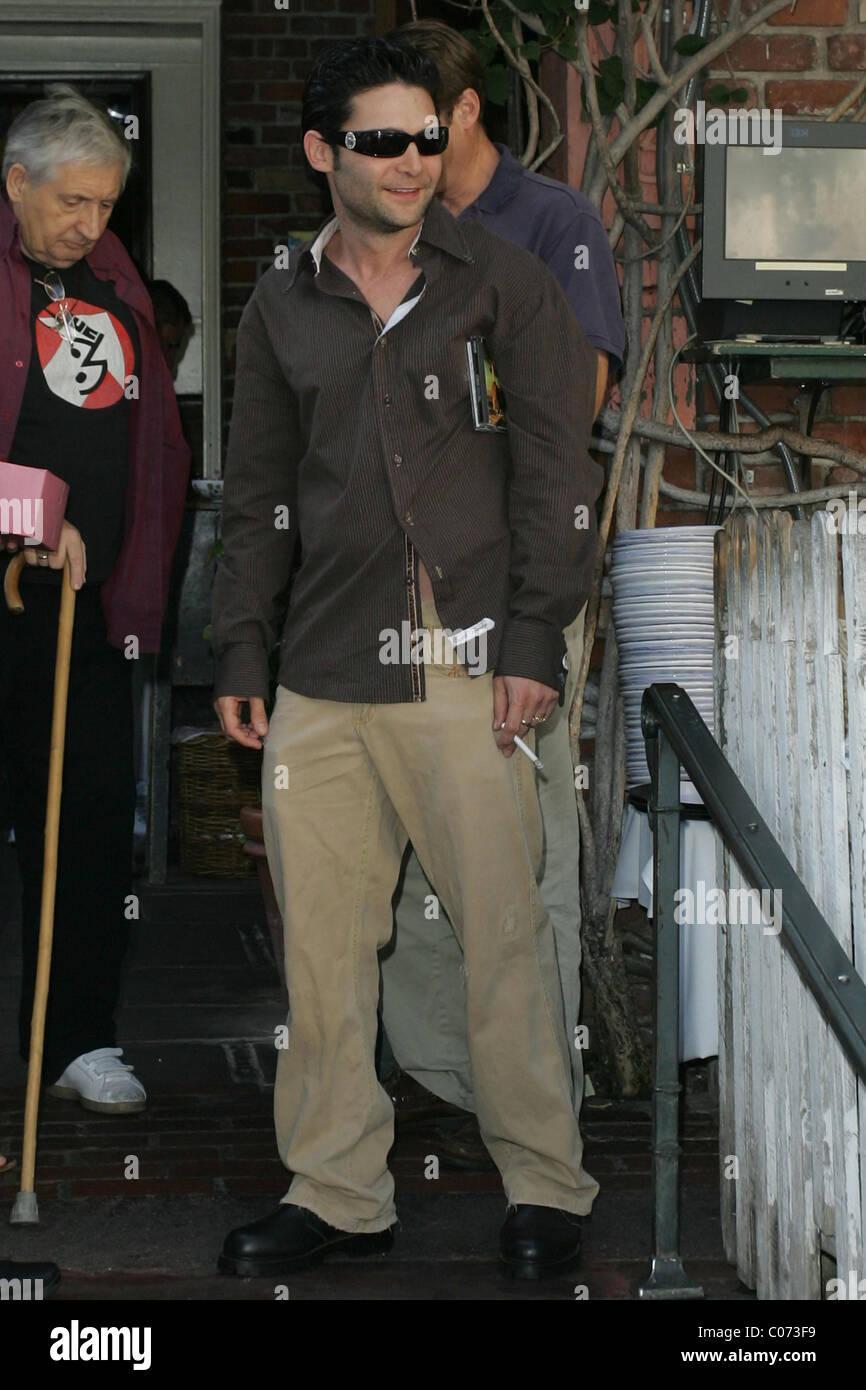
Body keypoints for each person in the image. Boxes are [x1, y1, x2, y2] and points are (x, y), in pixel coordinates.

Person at [212, 36, 603, 1279]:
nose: (410, 161)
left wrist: (533, 639)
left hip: (467, 653)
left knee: (501, 933)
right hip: (322, 666)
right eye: (380, 140)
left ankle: (544, 1184)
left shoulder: (504, 281)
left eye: (427, 136)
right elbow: (261, 488)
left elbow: (556, 475)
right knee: (322, 952)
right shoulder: (281, 297)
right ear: (324, 151)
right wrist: (238, 649)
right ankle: (334, 1190)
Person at [377, 20, 625, 1162]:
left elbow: (571, 401)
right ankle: (442, 1073)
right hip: (392, 586)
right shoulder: (380, 228)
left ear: (465, 111)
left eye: (415, 125)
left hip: (511, 580)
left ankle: (535, 1104)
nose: (396, 151)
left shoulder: (549, 222)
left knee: (523, 848)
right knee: (411, 842)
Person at [0, 85, 190, 1114]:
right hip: (9, 583)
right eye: (71, 201)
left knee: (80, 823)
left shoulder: (108, 282)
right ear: (15, 181)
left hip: (81, 608)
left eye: (107, 205)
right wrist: (30, 509)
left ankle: (76, 1037)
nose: (91, 224)